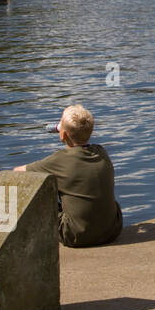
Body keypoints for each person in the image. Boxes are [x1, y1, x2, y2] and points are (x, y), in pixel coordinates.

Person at [13, 104, 122, 248]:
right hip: (112, 231)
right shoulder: (101, 152)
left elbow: (17, 173)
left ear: (63, 134)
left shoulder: (60, 160)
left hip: (76, 236)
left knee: (36, 186)